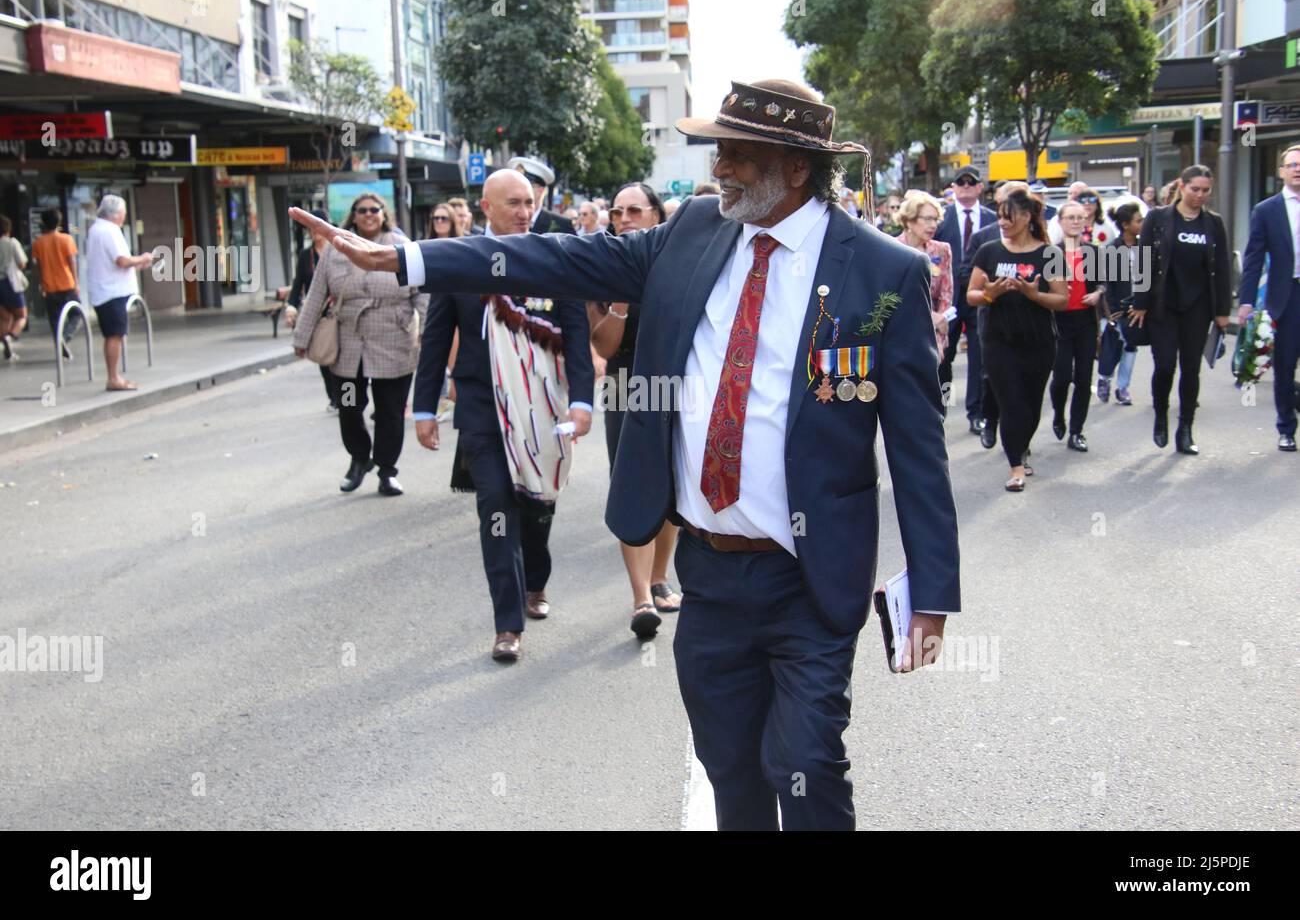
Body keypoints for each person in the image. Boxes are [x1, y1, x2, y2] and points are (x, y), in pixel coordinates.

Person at [292, 77, 959, 831]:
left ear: (796, 168)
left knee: (806, 764)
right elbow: (555, 257)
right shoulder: (694, 232)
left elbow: (917, 447)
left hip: (811, 577)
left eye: (737, 155)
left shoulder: (883, 273)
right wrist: (406, 261)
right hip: (708, 574)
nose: (720, 170)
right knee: (730, 767)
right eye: (720, 153)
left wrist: (931, 588)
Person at [412, 170, 594, 662]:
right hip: (481, 409)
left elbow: (576, 334)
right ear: (485, 207)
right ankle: (506, 624)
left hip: (542, 411)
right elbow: (435, 340)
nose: (524, 211)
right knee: (495, 508)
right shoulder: (461, 262)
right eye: (513, 202)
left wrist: (582, 401)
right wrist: (424, 408)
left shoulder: (554, 257)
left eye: (529, 202)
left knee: (537, 509)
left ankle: (536, 580)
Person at [587, 181, 682, 638]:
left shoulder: (676, 263)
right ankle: (641, 595)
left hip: (671, 383)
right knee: (630, 484)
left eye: (634, 211)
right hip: (624, 385)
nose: (623, 219)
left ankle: (661, 576)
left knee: (670, 486)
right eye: (617, 211)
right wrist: (620, 300)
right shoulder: (601, 269)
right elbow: (603, 345)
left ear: (656, 217)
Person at [292, 193, 427, 494]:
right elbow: (316, 294)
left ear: (383, 214)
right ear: (353, 215)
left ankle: (387, 470)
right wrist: (301, 337)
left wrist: (425, 330)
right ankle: (359, 458)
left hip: (394, 338)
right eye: (361, 210)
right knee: (349, 406)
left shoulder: (402, 246)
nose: (368, 215)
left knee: (390, 410)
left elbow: (423, 293)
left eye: (373, 210)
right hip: (349, 342)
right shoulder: (335, 249)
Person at [968, 188, 1068, 491]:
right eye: (999, 217)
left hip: (1039, 342)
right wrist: (990, 293)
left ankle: (1021, 446)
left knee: (1031, 405)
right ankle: (1016, 467)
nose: (1002, 223)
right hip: (999, 340)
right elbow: (972, 296)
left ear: (1027, 217)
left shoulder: (1049, 253)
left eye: (1009, 217)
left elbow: (1061, 299)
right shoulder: (989, 251)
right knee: (1011, 403)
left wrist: (1033, 294)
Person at [1131, 164, 1232, 455]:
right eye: (1195, 189)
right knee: (1164, 366)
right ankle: (1161, 414)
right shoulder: (1159, 218)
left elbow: (1222, 267)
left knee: (1191, 369)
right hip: (1164, 305)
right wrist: (1140, 301)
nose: (1200, 195)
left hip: (1198, 307)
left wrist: (1222, 310)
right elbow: (1144, 261)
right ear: (1182, 186)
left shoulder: (1213, 223)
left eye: (1206, 191)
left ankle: (1185, 427)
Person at [956, 180, 1029, 449]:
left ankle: (1021, 440)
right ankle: (987, 419)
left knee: (1023, 382)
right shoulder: (984, 239)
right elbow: (965, 276)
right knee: (991, 375)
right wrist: (989, 289)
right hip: (993, 319)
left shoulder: (1040, 243)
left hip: (1030, 323)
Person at [1237, 143, 1300, 452]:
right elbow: (1253, 258)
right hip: (1285, 297)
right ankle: (1286, 428)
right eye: (1292, 165)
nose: (1297, 169)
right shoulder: (1266, 210)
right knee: (1285, 366)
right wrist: (1246, 301)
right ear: (1281, 172)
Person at [936, 165, 998, 434]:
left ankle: (976, 412)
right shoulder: (941, 219)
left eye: (970, 182)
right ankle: (941, 404)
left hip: (980, 297)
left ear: (980, 187)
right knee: (943, 356)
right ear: (953, 187)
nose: (965, 186)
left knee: (978, 356)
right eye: (960, 182)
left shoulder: (993, 220)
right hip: (949, 300)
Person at [1048, 201, 1107, 452]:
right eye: (1070, 217)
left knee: (1084, 378)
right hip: (1060, 321)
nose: (1075, 221)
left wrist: (1099, 293)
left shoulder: (1093, 252)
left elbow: (1105, 281)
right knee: (1061, 377)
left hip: (1085, 321)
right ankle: (1059, 414)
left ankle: (1076, 431)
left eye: (1079, 218)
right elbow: (1043, 286)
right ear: (1060, 222)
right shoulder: (1052, 252)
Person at [85, 195, 155, 390]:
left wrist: (137, 264)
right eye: (123, 213)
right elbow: (122, 260)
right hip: (111, 291)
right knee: (115, 334)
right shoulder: (109, 231)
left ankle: (115, 376)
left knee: (115, 333)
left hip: (106, 288)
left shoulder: (97, 229)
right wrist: (142, 258)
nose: (124, 217)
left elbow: (117, 263)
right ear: (115, 214)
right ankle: (113, 378)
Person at [286, 208, 342, 412]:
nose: (315, 231)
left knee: (345, 364)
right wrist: (291, 306)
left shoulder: (340, 251)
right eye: (311, 227)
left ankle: (348, 403)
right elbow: (298, 283)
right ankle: (336, 399)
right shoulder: (306, 256)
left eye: (319, 225)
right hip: (319, 317)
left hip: (343, 315)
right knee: (325, 358)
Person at [1096, 202, 1144, 406]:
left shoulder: (1145, 247)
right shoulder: (1113, 249)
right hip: (1115, 310)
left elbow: (1147, 279)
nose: (1142, 224)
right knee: (1111, 347)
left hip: (1138, 308)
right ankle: (1104, 379)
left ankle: (1123, 387)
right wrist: (1112, 310)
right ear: (1125, 225)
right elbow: (1107, 283)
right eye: (1138, 220)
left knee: (1131, 347)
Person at [895, 189, 952, 354]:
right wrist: (929, 316)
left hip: (935, 336)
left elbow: (946, 295)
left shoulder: (942, 250)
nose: (933, 225)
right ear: (909, 220)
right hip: (902, 335)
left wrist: (938, 339)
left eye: (935, 219)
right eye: (927, 219)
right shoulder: (892, 249)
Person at [30, 209, 81, 361]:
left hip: (49, 287)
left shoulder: (38, 243)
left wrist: (41, 284)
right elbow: (72, 262)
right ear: (58, 222)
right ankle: (65, 336)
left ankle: (60, 341)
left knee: (54, 319)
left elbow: (38, 266)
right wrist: (76, 282)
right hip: (67, 284)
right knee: (76, 314)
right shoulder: (66, 239)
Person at [509, 156, 574, 235]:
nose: (517, 192)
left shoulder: (561, 225)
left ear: (540, 190)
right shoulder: (506, 221)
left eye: (524, 187)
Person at [1048, 183, 1119, 245]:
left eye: (1091, 200)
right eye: (1083, 200)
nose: (1087, 203)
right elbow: (1053, 244)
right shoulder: (1061, 222)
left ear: (1097, 204)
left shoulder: (1107, 227)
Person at [0, 214, 28, 360]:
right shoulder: (12, 243)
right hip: (10, 283)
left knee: (4, 318)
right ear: (7, 229)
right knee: (21, 316)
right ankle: (11, 337)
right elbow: (22, 263)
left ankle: (7, 349)